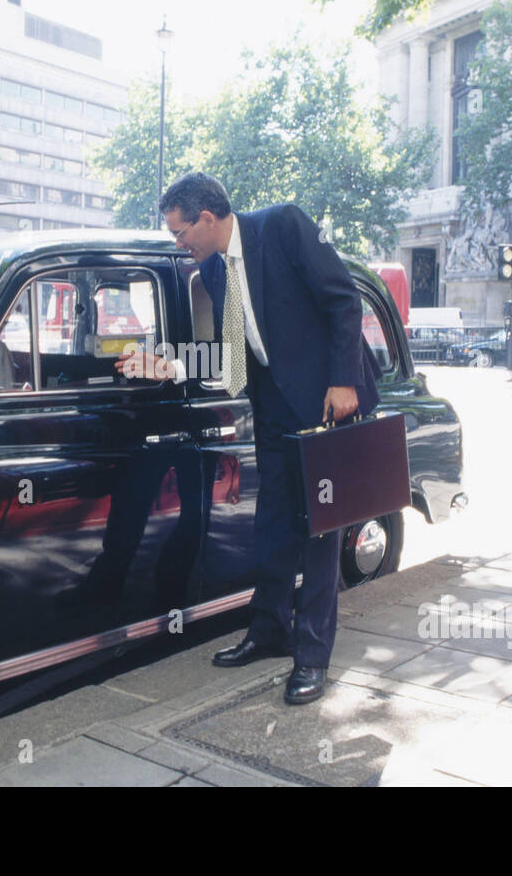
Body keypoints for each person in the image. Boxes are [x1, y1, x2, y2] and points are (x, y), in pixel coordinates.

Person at [118, 172, 380, 705]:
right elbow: (234, 364)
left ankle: (311, 657)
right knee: (273, 524)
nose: (178, 243)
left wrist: (343, 380)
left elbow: (342, 301)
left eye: (180, 232)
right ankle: (268, 631)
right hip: (276, 411)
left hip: (328, 403)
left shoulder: (283, 226)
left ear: (207, 218)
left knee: (320, 535)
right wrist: (164, 366)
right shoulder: (214, 272)